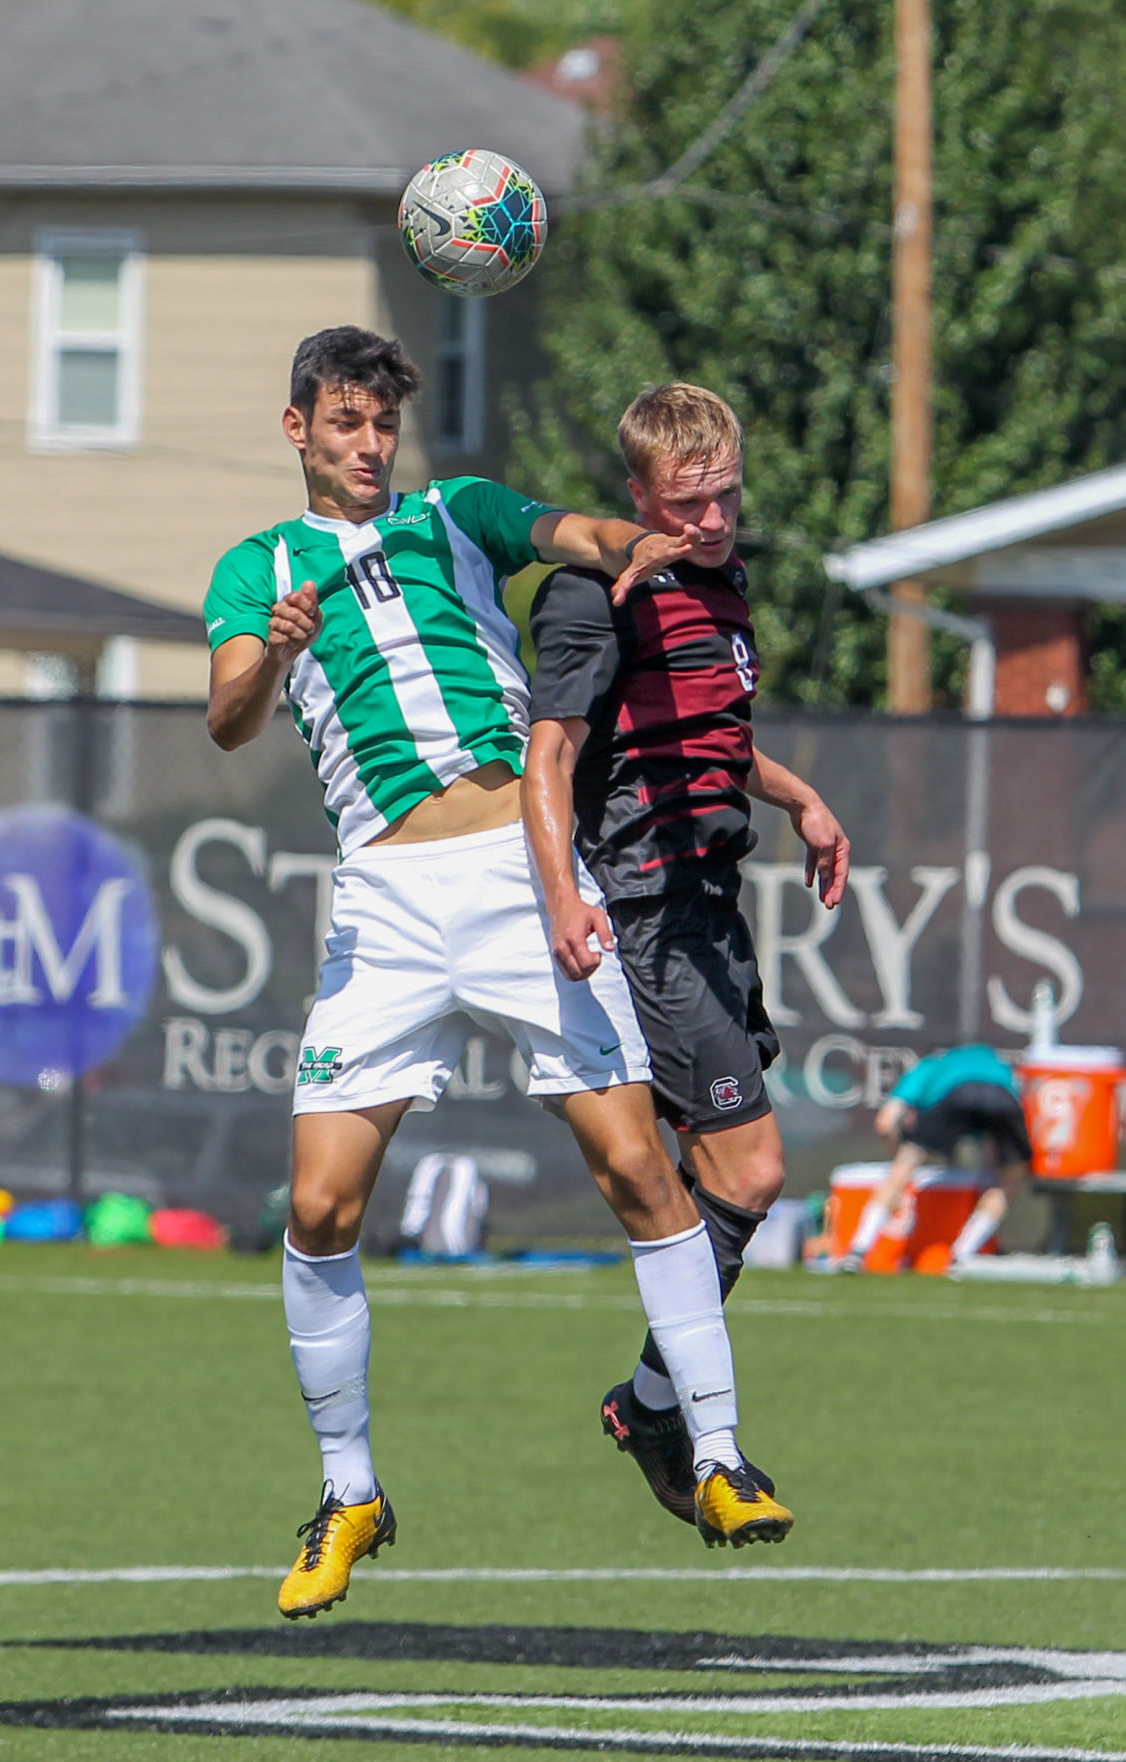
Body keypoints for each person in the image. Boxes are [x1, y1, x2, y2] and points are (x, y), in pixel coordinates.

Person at [204, 329, 794, 1622]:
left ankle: (714, 1452)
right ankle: (347, 1489)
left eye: (382, 424)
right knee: (318, 1205)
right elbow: (228, 711)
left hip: (518, 879)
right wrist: (279, 644)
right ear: (296, 426)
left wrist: (634, 542)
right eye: (345, 424)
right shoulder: (259, 568)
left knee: (638, 1166)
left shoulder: (453, 513)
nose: (368, 446)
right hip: (384, 897)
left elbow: (568, 529)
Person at [521, 381, 850, 1527]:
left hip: (712, 907)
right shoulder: (589, 596)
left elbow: (719, 737)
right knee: (749, 1175)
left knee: (724, 1183)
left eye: (722, 497)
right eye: (685, 502)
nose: (709, 521)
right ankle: (671, 1413)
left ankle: (651, 1401)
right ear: (635, 496)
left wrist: (801, 798)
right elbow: (551, 756)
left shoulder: (723, 585)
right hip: (644, 911)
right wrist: (563, 893)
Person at [835, 1043, 1032, 1272]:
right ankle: (961, 1258)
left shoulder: (931, 1065)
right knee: (1010, 1178)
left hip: (955, 1094)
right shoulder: (1000, 1065)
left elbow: (885, 1123)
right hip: (1003, 1099)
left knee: (904, 1164)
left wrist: (900, 1159)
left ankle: (859, 1250)